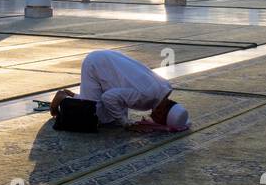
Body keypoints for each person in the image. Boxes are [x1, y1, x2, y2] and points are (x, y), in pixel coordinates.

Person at [50, 49, 191, 130]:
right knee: (96, 117)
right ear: (162, 111)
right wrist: (125, 123)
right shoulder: (146, 96)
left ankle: (75, 95)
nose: (154, 120)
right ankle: (63, 98)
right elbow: (108, 98)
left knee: (111, 116)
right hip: (96, 65)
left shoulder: (164, 87)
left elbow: (121, 97)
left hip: (106, 60)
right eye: (160, 120)